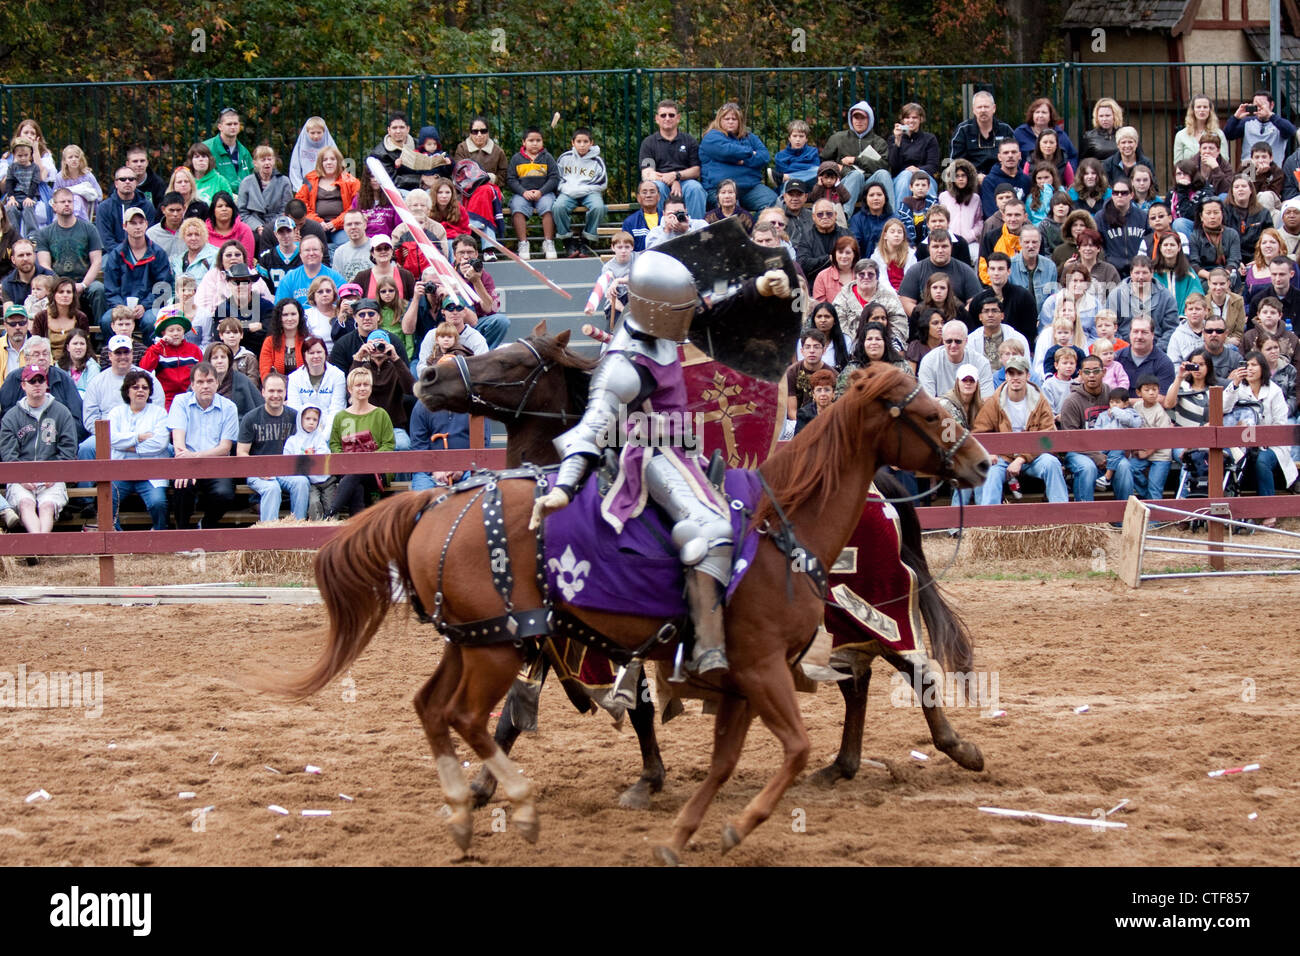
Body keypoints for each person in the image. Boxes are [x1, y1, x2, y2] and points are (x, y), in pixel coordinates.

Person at [531, 251, 790, 675]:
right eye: (678, 312)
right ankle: (703, 649)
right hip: (648, 453)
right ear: (657, 310)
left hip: (683, 448)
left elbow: (711, 314)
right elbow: (594, 425)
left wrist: (759, 289)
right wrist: (564, 488)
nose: (687, 319)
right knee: (712, 529)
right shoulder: (622, 363)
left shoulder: (662, 323)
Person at [973, 354, 1068, 503]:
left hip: (1034, 457)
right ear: (1005, 376)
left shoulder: (1040, 400)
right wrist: (989, 453)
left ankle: (1062, 517)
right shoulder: (994, 402)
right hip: (1003, 457)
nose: (1015, 377)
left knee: (1052, 464)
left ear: (1028, 375)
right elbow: (979, 432)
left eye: (1020, 373)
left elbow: (1048, 437)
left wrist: (1022, 458)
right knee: (990, 472)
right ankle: (989, 523)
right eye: (1011, 373)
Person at [0, 363, 78, 535]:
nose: (36, 384)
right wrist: (21, 477)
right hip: (20, 476)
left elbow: (68, 449)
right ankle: (39, 544)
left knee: (47, 505)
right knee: (26, 503)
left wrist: (55, 473)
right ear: (23, 385)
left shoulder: (61, 412)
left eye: (40, 380)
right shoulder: (11, 416)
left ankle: (37, 546)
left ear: (46, 384)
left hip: (53, 475)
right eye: (32, 381)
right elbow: (8, 453)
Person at [1223, 351, 1299, 519]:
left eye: (1254, 365)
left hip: (1271, 445)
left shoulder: (1274, 391)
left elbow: (1280, 424)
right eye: (1247, 365)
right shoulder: (1238, 388)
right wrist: (1234, 384)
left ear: (1262, 368)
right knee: (1225, 458)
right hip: (1240, 443)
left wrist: (1259, 435)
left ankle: (1269, 511)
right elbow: (1222, 408)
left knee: (1263, 460)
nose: (1250, 369)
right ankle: (1231, 511)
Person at [1058, 353, 1136, 501]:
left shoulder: (1112, 395)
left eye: (1096, 371)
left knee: (1124, 466)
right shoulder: (1072, 401)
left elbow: (1127, 419)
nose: (1091, 375)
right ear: (1080, 373)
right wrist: (1095, 455)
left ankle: (1124, 518)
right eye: (1087, 372)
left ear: (1104, 372)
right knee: (1087, 468)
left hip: (1109, 450)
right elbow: (1070, 438)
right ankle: (1085, 517)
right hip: (1078, 452)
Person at [105, 366, 171, 531]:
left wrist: (129, 446)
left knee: (158, 502)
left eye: (145, 387)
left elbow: (160, 443)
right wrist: (138, 437)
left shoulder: (159, 413)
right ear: (127, 391)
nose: (140, 391)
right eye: (135, 387)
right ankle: (115, 534)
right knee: (107, 498)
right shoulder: (116, 413)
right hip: (120, 472)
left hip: (151, 473)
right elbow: (110, 439)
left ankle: (159, 533)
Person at [236, 370, 306, 522]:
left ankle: (299, 528)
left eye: (280, 391)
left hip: (286, 470)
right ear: (263, 392)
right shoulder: (251, 418)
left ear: (285, 393)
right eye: (271, 391)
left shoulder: (295, 417)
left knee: (301, 482)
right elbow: (241, 452)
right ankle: (269, 534)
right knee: (271, 488)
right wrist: (258, 469)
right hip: (258, 471)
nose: (275, 395)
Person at [327, 366, 395, 517]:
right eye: (358, 385)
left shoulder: (380, 414)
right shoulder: (340, 417)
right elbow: (334, 444)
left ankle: (330, 514)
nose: (362, 388)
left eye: (366, 385)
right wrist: (346, 459)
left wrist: (368, 459)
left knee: (355, 474)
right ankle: (358, 525)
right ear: (350, 389)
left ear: (371, 388)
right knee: (356, 484)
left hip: (377, 470)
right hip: (348, 469)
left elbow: (389, 444)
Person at [101, 206, 173, 341]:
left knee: (151, 321)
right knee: (106, 321)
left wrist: (144, 305)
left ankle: (148, 358)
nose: (138, 227)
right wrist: (121, 308)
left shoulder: (158, 253)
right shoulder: (116, 255)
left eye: (141, 222)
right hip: (121, 306)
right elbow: (110, 289)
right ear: (124, 226)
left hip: (149, 306)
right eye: (133, 223)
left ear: (146, 224)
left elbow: (164, 287)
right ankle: (113, 355)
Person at [698, 102, 776, 214]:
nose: (730, 121)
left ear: (740, 121)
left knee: (772, 201)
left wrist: (742, 160)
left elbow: (764, 157)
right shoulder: (711, 137)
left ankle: (755, 230)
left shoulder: (750, 137)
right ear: (719, 120)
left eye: (734, 119)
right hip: (720, 190)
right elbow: (727, 152)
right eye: (727, 118)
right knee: (732, 210)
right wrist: (750, 153)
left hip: (749, 188)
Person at [823, 100, 894, 212]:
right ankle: (844, 218)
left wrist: (856, 160)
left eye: (863, 118)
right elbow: (824, 162)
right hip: (847, 183)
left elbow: (884, 167)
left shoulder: (879, 142)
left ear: (869, 119)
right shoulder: (838, 138)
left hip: (871, 184)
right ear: (851, 119)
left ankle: (892, 217)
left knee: (884, 174)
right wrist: (838, 169)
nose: (859, 121)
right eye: (856, 118)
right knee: (856, 175)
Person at [897, 229, 983, 315]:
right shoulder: (915, 271)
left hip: (957, 322)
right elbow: (906, 301)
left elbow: (974, 301)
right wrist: (922, 320)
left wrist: (960, 318)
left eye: (944, 246)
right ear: (928, 248)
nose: (940, 250)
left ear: (951, 247)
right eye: (935, 246)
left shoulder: (965, 271)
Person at [506, 127, 560, 261]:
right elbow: (511, 179)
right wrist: (523, 192)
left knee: (549, 207)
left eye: (538, 140)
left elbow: (554, 178)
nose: (535, 143)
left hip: (543, 194)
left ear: (542, 142)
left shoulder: (547, 158)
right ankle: (523, 244)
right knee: (517, 208)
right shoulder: (516, 159)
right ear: (523, 142)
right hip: (523, 194)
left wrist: (541, 191)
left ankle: (548, 242)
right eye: (531, 140)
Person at [295, 146, 359, 250]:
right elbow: (300, 204)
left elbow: (355, 205)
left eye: (332, 159)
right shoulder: (310, 179)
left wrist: (336, 223)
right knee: (311, 247)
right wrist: (318, 222)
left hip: (342, 226)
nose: (329, 162)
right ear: (320, 163)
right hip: (315, 226)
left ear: (338, 161)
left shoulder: (351, 181)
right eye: (325, 160)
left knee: (347, 245)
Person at [1107, 254, 1177, 345]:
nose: (1140, 277)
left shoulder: (1166, 296)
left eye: (1144, 273)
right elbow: (1109, 327)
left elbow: (1171, 328)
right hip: (1123, 350)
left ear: (1152, 273)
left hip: (1157, 349)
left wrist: (1156, 349)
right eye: (1137, 273)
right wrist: (1125, 348)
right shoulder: (1116, 295)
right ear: (1131, 273)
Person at [281, 401, 336, 518]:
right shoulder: (292, 441)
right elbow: (287, 461)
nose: (311, 422)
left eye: (315, 420)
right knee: (314, 504)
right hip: (310, 483)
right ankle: (315, 527)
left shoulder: (319, 438)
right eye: (308, 419)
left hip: (326, 480)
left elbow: (324, 455)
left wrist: (306, 460)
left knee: (330, 506)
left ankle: (331, 527)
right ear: (300, 419)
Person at [949, 91, 1016, 180]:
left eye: (986, 107)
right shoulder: (963, 130)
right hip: (971, 180)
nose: (983, 110)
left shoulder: (1005, 129)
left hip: (1001, 177)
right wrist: (974, 176)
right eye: (979, 107)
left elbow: (1015, 157)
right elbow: (955, 162)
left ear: (994, 108)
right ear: (973, 109)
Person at [918, 319, 994, 398]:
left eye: (958, 341)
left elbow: (986, 398)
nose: (953, 345)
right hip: (939, 408)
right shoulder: (929, 361)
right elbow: (927, 399)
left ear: (966, 341)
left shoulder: (981, 362)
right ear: (943, 340)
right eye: (949, 341)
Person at [1224, 90, 1298, 166]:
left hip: (1272, 169)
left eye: (1262, 105)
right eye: (1256, 105)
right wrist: (1235, 117)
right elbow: (1228, 134)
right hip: (1249, 169)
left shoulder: (1279, 123)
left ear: (1271, 105)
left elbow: (1292, 131)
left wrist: (1270, 115)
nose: (1259, 108)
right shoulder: (1247, 122)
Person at [966, 288, 1031, 374]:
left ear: (1002, 316)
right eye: (986, 311)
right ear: (980, 317)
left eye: (994, 311)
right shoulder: (971, 340)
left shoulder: (1017, 338)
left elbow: (1026, 367)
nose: (990, 315)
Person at [237, 145, 293, 242]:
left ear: (274, 161)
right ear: (255, 163)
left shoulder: (284, 181)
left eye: (269, 159)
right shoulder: (246, 182)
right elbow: (242, 212)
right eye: (263, 160)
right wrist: (258, 227)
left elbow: (285, 210)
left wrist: (269, 227)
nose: (267, 163)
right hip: (253, 226)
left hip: (277, 225)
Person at [276, 234, 343, 308]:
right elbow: (280, 309)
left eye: (315, 249)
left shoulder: (336, 278)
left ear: (322, 253)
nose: (311, 253)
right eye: (307, 250)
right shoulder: (289, 279)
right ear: (300, 254)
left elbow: (343, 306)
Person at [288, 334, 347, 413]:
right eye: (311, 353)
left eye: (319, 352)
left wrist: (327, 426)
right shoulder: (294, 378)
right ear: (304, 355)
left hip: (332, 424)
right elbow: (294, 409)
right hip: (303, 424)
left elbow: (337, 408)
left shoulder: (338, 375)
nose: (316, 356)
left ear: (325, 353)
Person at [203, 108, 255, 195]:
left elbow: (252, 177)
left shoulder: (244, 152)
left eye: (235, 124)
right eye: (229, 124)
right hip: (217, 200)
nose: (233, 127)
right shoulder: (206, 148)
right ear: (220, 127)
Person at [1189, 199, 1241, 285]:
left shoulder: (1232, 234)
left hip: (1226, 273)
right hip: (1205, 274)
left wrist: (1224, 275)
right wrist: (1210, 276)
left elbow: (1234, 260)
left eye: (1216, 212)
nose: (1212, 217)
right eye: (1208, 213)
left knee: (1234, 279)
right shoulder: (1195, 236)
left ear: (1222, 214)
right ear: (1201, 216)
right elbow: (1194, 264)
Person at [1224, 175, 1272, 265]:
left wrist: (1260, 260)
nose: (1240, 189)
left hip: (1257, 259)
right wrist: (1234, 262)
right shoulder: (1223, 211)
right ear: (1232, 192)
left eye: (1244, 186)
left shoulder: (1263, 213)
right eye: (1236, 187)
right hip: (1230, 259)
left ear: (1251, 190)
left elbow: (1270, 239)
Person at [1151, 232, 1202, 317]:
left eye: (1172, 245)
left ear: (1179, 247)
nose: (1169, 248)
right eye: (1165, 245)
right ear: (1160, 247)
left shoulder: (1188, 273)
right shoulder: (1152, 272)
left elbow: (1196, 295)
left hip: (1184, 320)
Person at [978, 139, 1031, 218]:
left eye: (1013, 152)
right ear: (999, 157)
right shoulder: (989, 181)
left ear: (1020, 155)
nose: (1010, 155)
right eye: (1006, 153)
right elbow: (990, 212)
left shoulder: (1027, 180)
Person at [454, 117, 510, 190]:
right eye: (475, 131)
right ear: (470, 133)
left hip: (491, 188)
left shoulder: (498, 151)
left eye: (483, 131)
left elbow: (504, 172)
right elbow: (459, 170)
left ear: (488, 132)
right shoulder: (462, 148)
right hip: (467, 189)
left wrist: (495, 179)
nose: (479, 134)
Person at [847, 182, 897, 260]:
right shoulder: (857, 219)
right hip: (865, 264)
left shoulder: (895, 219)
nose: (876, 198)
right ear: (865, 199)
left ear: (885, 198)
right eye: (871, 195)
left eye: (879, 195)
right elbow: (854, 244)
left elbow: (907, 241)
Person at [52, 145, 102, 223]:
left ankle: (78, 223)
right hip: (64, 209)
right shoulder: (60, 177)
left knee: (77, 198)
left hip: (84, 209)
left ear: (81, 159)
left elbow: (98, 195)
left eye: (76, 157)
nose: (74, 159)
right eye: (70, 157)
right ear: (65, 161)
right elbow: (54, 196)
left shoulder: (88, 176)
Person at [1103, 128, 1159, 195]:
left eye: (1130, 142)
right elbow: (1105, 189)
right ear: (1118, 145)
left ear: (1136, 144)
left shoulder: (1146, 163)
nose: (1127, 146)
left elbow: (1154, 187)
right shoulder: (1108, 164)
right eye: (1123, 142)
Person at [205, 190, 256, 263]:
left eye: (227, 206)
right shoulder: (204, 231)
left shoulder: (244, 230)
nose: (224, 209)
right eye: (220, 206)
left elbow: (247, 260)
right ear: (213, 210)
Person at [288, 117, 336, 192]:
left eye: (319, 132)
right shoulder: (301, 146)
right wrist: (300, 187)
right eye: (312, 133)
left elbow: (337, 166)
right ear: (307, 132)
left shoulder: (330, 145)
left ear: (324, 132)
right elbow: (295, 167)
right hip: (306, 187)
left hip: (326, 188)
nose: (316, 136)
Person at [1247, 256, 1300, 324]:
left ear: (1291, 274)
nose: (1278, 279)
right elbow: (1251, 331)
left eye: (1282, 274)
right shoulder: (1258, 300)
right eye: (1274, 274)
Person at [814, 236, 860, 305]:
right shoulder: (822, 276)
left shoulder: (862, 275)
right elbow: (820, 306)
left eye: (848, 253)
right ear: (834, 254)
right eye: (840, 252)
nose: (844, 256)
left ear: (854, 255)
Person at [622, 180, 662, 252]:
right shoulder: (630, 222)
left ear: (658, 197)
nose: (648, 195)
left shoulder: (666, 219)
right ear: (638, 197)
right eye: (644, 192)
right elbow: (627, 250)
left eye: (652, 192)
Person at [794, 368, 837, 435]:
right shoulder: (804, 414)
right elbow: (798, 441)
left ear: (833, 393)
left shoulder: (841, 412)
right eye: (819, 390)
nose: (823, 394)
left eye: (827, 390)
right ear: (813, 394)